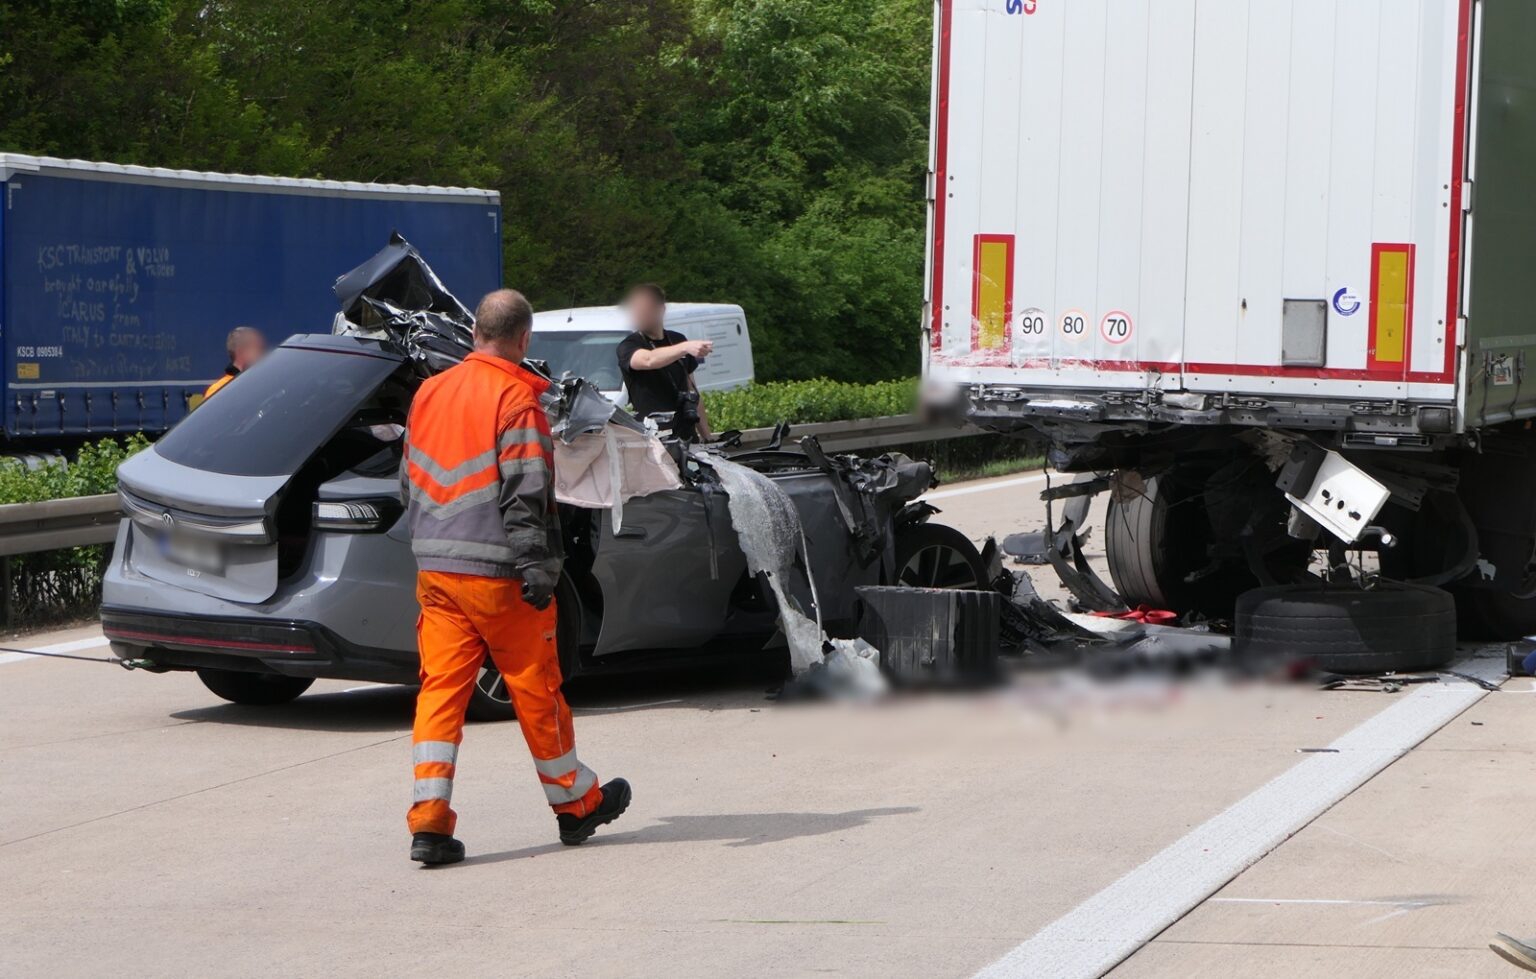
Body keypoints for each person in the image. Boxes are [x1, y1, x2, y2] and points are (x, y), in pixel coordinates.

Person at [400, 288, 630, 866]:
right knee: (535, 687)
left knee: (440, 693)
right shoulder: (516, 398)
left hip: (437, 569)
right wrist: (536, 565)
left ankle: (429, 822)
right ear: (523, 339)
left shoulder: (429, 392)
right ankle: (576, 805)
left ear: (477, 332)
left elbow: (408, 481)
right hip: (498, 575)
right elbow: (525, 492)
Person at [613, 283, 714, 440]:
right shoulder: (629, 346)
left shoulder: (678, 340)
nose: (637, 315)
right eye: (635, 310)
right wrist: (685, 348)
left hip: (686, 439)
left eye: (643, 309)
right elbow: (649, 360)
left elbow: (693, 393)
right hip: (653, 442)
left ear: (661, 309)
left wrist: (708, 438)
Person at [202, 326, 267, 400]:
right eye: (260, 349)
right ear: (242, 352)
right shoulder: (218, 391)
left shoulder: (262, 384)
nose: (264, 355)